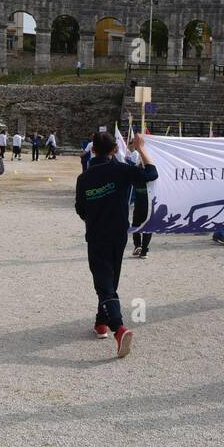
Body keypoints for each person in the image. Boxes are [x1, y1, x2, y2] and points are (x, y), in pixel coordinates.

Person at [75, 132, 158, 358]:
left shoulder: (84, 178)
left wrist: (95, 214)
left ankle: (118, 328)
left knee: (103, 282)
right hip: (119, 233)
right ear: (114, 150)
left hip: (97, 234)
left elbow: (81, 209)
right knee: (110, 278)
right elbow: (152, 173)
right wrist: (141, 149)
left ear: (93, 150)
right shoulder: (121, 169)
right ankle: (101, 323)